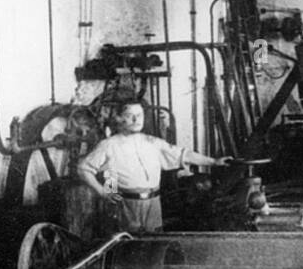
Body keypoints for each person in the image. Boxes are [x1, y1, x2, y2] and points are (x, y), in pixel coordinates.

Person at [77, 98, 228, 233]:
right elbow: (83, 168)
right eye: (130, 115)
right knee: (128, 248)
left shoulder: (152, 142)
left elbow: (183, 154)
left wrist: (214, 162)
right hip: (126, 204)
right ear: (119, 119)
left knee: (154, 247)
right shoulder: (109, 145)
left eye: (140, 115)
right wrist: (103, 192)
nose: (136, 119)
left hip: (154, 202)